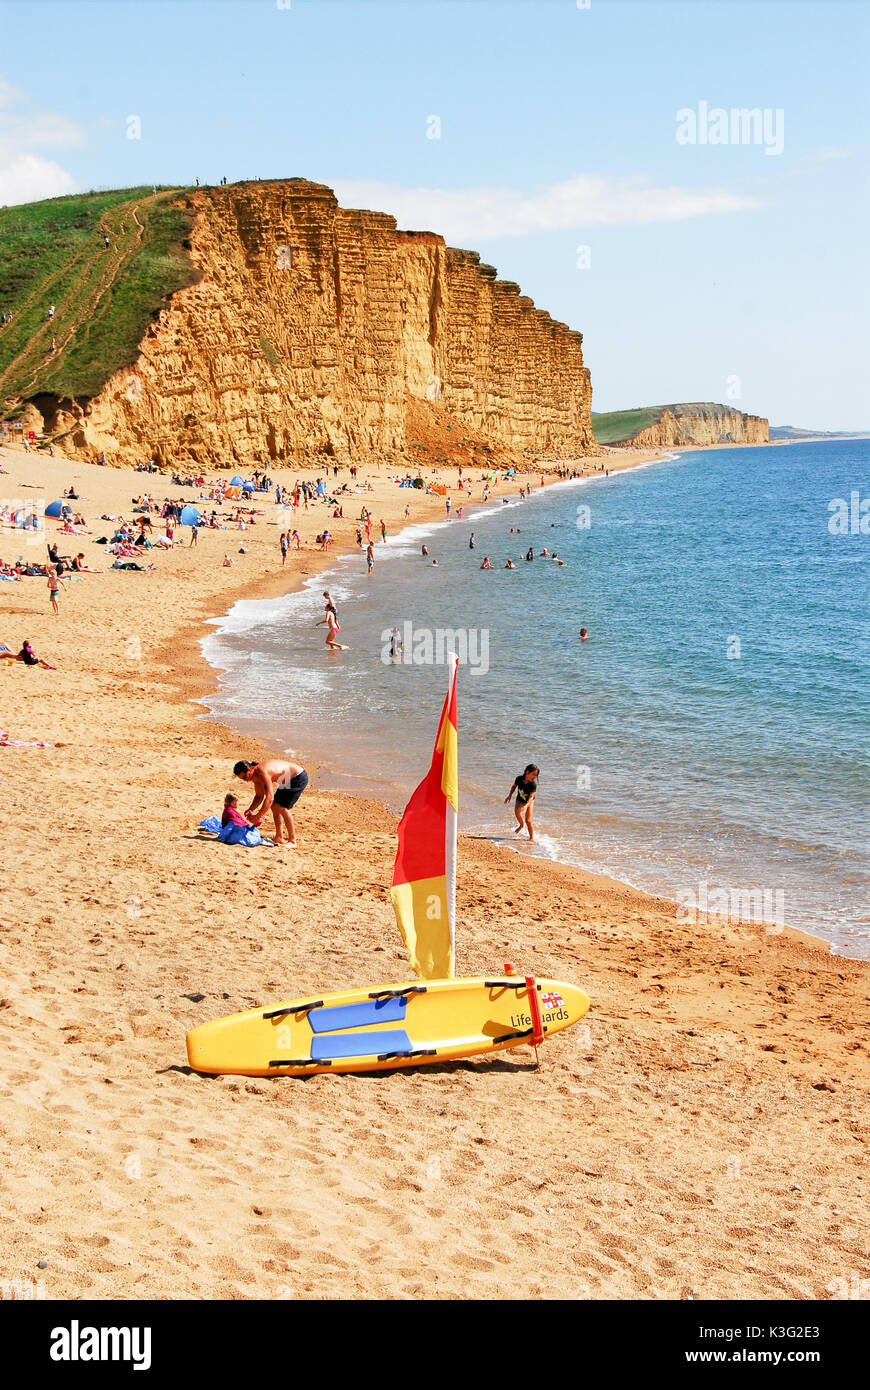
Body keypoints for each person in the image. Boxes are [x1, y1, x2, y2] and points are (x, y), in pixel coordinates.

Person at [233, 757, 308, 847]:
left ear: (249, 770)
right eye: (242, 779)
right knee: (275, 806)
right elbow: (259, 796)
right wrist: (250, 809)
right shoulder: (254, 776)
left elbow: (270, 797)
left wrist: (258, 816)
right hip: (286, 777)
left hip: (297, 776)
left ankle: (292, 841)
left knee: (282, 807)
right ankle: (279, 837)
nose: (245, 780)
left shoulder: (261, 771)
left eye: (244, 777)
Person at [505, 764, 539, 842]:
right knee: (517, 811)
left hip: (529, 801)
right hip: (519, 799)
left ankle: (531, 838)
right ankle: (521, 825)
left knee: (528, 820)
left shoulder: (533, 784)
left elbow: (531, 797)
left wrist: (526, 805)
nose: (535, 777)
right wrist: (509, 795)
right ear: (527, 772)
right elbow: (513, 787)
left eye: (536, 775)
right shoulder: (519, 779)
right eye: (533, 774)